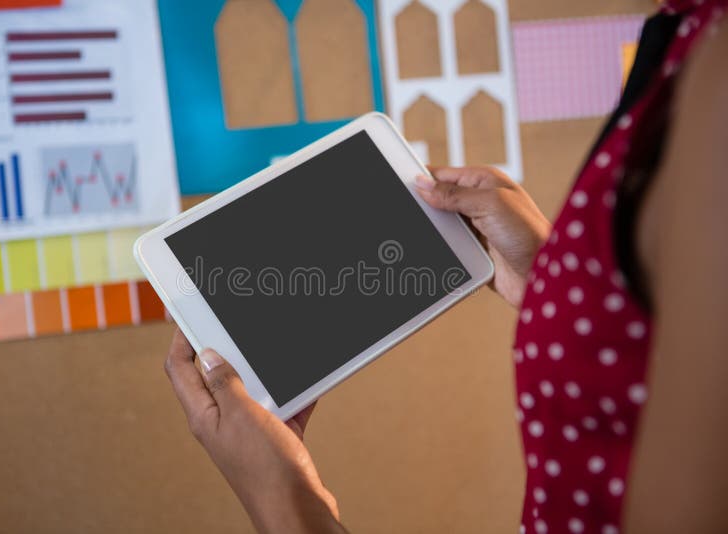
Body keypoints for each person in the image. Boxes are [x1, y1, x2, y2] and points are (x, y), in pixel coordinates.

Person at [163, 2, 728, 532]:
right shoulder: (688, 34)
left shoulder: (716, 77)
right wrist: (558, 285)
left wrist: (284, 502)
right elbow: (656, 355)